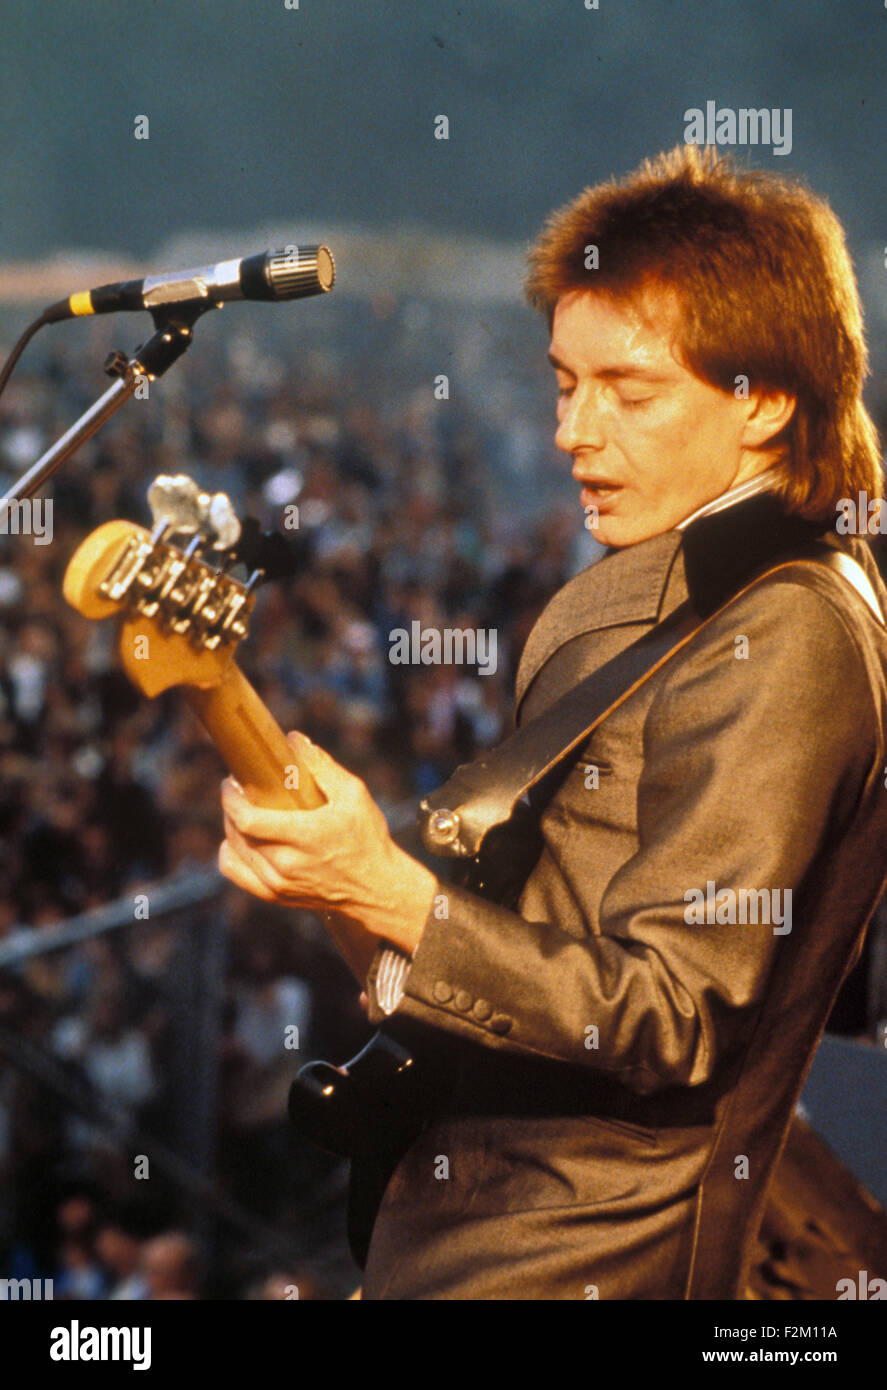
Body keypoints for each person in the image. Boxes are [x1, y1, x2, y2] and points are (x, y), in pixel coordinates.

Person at [218, 144, 887, 1300]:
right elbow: (541, 939)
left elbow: (669, 1014)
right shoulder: (677, 590)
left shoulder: (785, 630)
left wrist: (384, 886)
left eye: (628, 394)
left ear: (764, 401)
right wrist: (352, 887)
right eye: (563, 384)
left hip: (574, 1257)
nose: (576, 432)